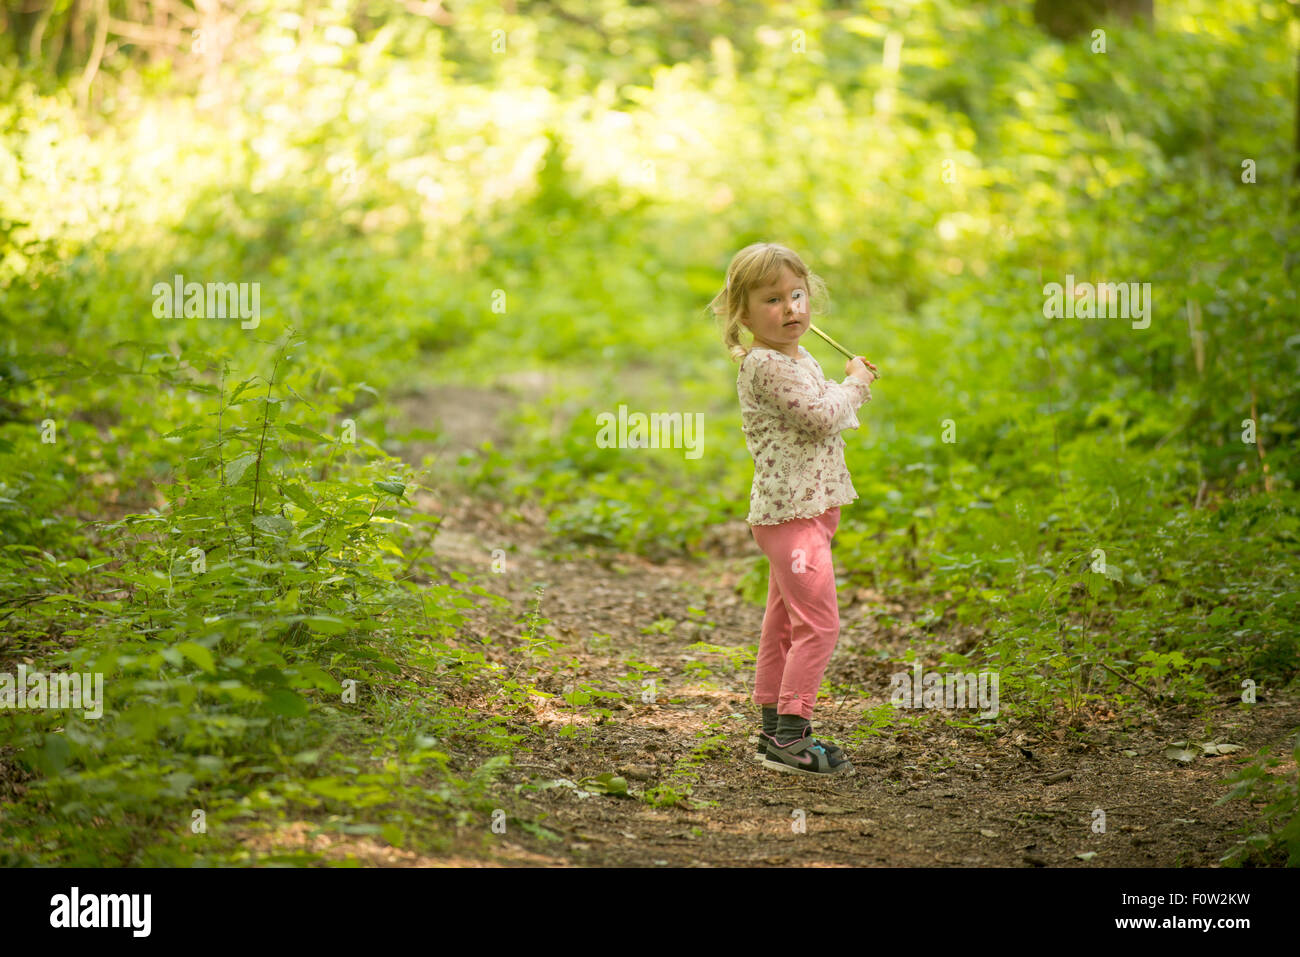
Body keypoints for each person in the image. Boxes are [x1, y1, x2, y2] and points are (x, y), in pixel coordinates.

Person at [710, 242, 878, 775]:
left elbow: (822, 402)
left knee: (782, 624)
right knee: (821, 626)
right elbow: (823, 416)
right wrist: (855, 383)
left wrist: (845, 383)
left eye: (797, 295)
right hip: (792, 519)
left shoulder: (797, 356)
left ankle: (772, 731)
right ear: (742, 313)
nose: (791, 310)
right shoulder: (764, 365)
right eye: (772, 300)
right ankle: (792, 735)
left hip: (809, 513)